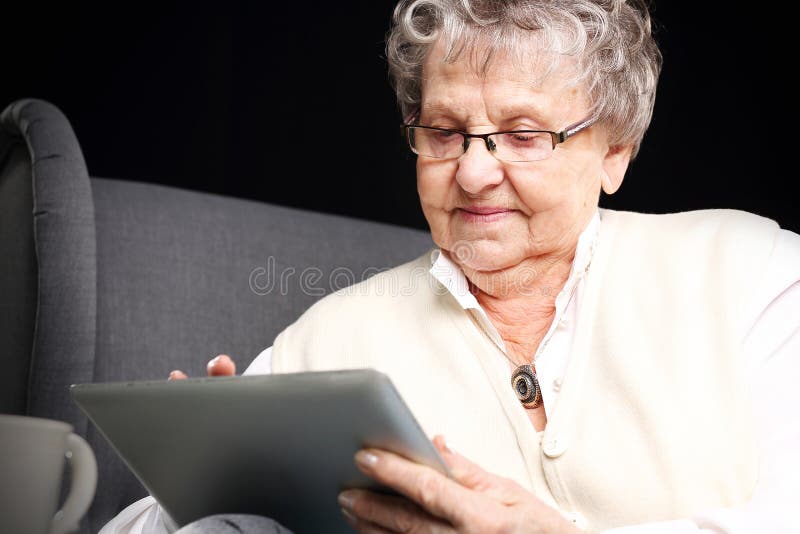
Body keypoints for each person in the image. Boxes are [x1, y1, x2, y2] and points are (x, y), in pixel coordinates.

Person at [102, 0, 800, 532]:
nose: (471, 172)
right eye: (444, 132)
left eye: (522, 135)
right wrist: (201, 489)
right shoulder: (330, 338)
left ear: (614, 150)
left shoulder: (752, 273)